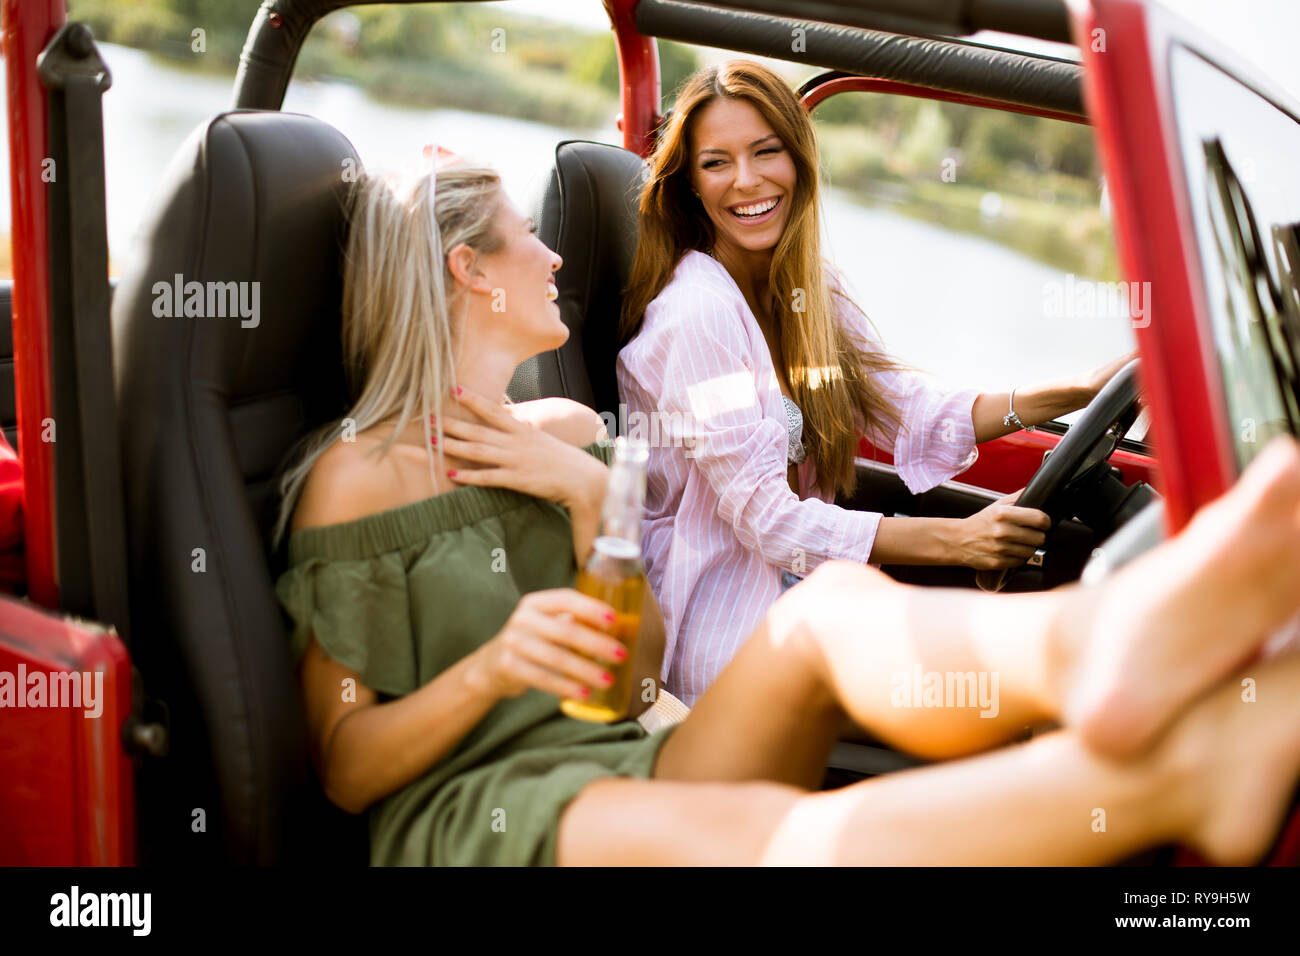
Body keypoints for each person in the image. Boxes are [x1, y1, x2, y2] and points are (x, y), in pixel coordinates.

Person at [273, 160, 1300, 866]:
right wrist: (492, 668)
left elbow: (630, 683)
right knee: (766, 834)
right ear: (467, 270)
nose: (552, 259)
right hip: (477, 820)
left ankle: (1097, 645)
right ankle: (1181, 780)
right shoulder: (352, 480)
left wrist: (594, 499)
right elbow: (347, 768)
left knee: (824, 611)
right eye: (526, 241)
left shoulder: (568, 429)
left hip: (610, 756)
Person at [617, 60, 1134, 704]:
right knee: (1000, 686)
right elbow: (767, 519)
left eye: (765, 152)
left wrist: (1076, 391)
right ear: (690, 184)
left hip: (801, 604)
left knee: (1018, 672)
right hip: (720, 640)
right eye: (716, 163)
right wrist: (960, 542)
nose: (745, 181)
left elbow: (903, 408)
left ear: (799, 160)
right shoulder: (696, 315)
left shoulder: (811, 292)